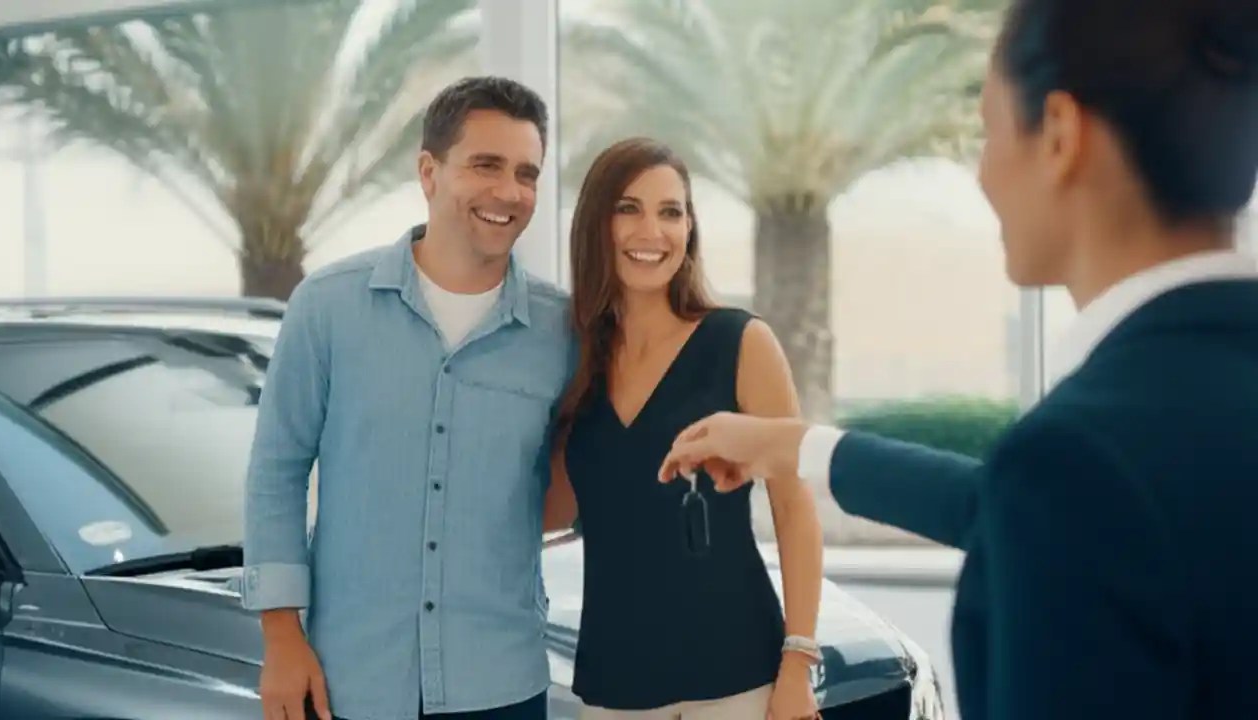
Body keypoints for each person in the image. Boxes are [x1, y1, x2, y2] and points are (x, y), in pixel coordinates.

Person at [656, 0, 1258, 718]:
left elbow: (1062, 510)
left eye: (987, 132)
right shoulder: (1133, 454)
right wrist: (794, 445)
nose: (981, 175)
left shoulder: (1082, 463)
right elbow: (1016, 510)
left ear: (1060, 136)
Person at [242, 76, 575, 720]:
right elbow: (276, 472)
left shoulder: (561, 332)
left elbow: (574, 486)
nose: (510, 192)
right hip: (349, 682)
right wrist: (281, 639)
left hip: (501, 683)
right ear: (429, 170)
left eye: (527, 173)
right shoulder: (328, 306)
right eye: (486, 165)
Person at [541, 137, 825, 720]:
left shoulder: (741, 342)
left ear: (689, 228)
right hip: (612, 681)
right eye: (629, 209)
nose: (653, 231)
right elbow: (551, 510)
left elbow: (793, 506)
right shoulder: (571, 359)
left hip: (736, 677)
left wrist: (796, 664)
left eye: (671, 211)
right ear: (597, 224)